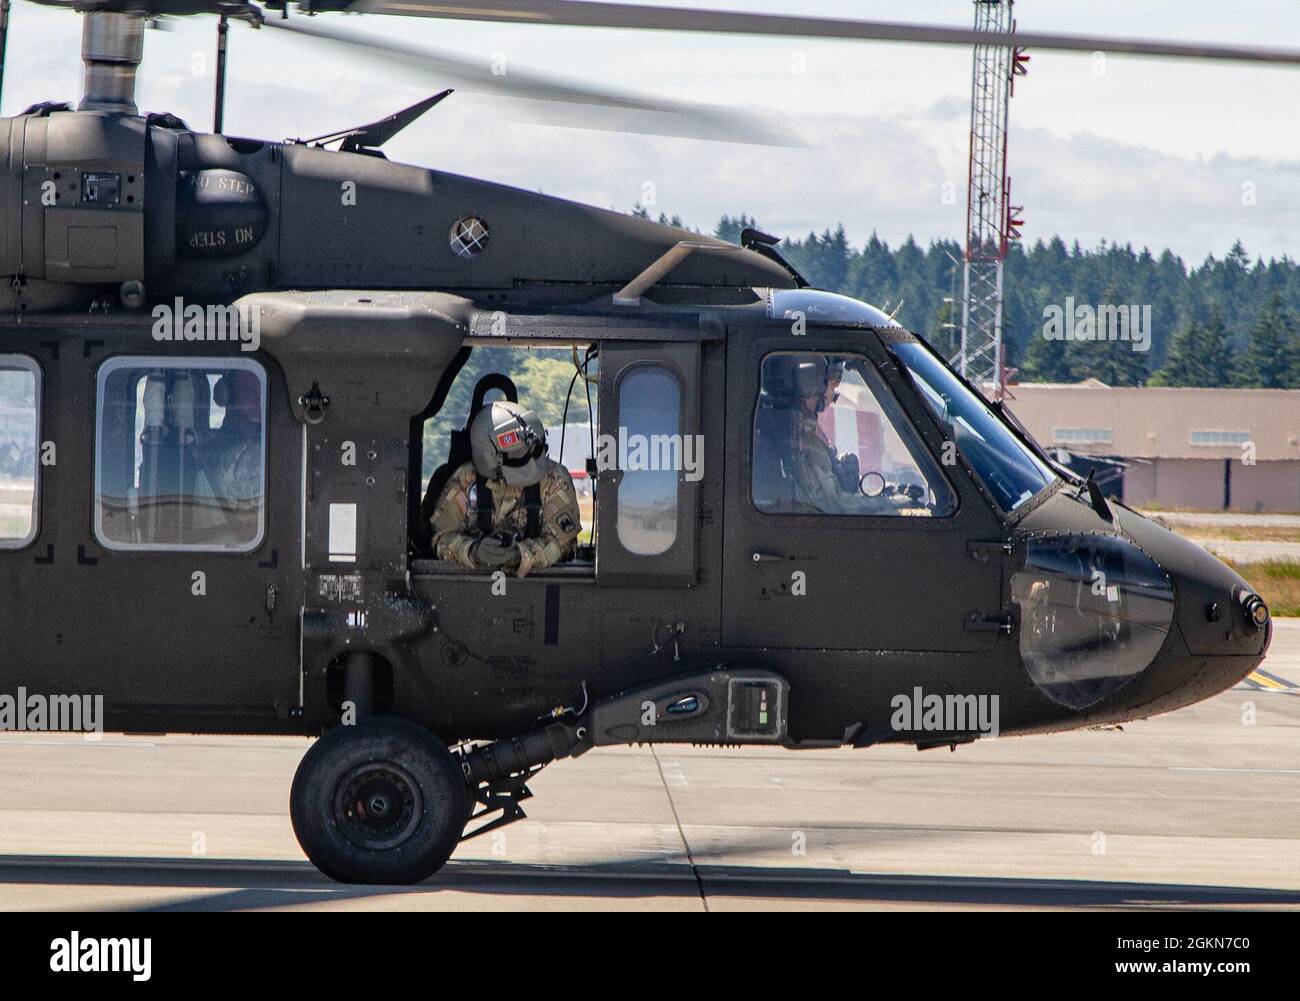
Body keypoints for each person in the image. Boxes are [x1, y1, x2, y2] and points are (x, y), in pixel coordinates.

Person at [430, 401, 581, 577]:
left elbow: (563, 543)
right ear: (489, 458)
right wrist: (473, 551)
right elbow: (441, 538)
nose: (528, 458)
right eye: (517, 455)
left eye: (531, 449)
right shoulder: (465, 480)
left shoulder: (554, 480)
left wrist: (520, 555)